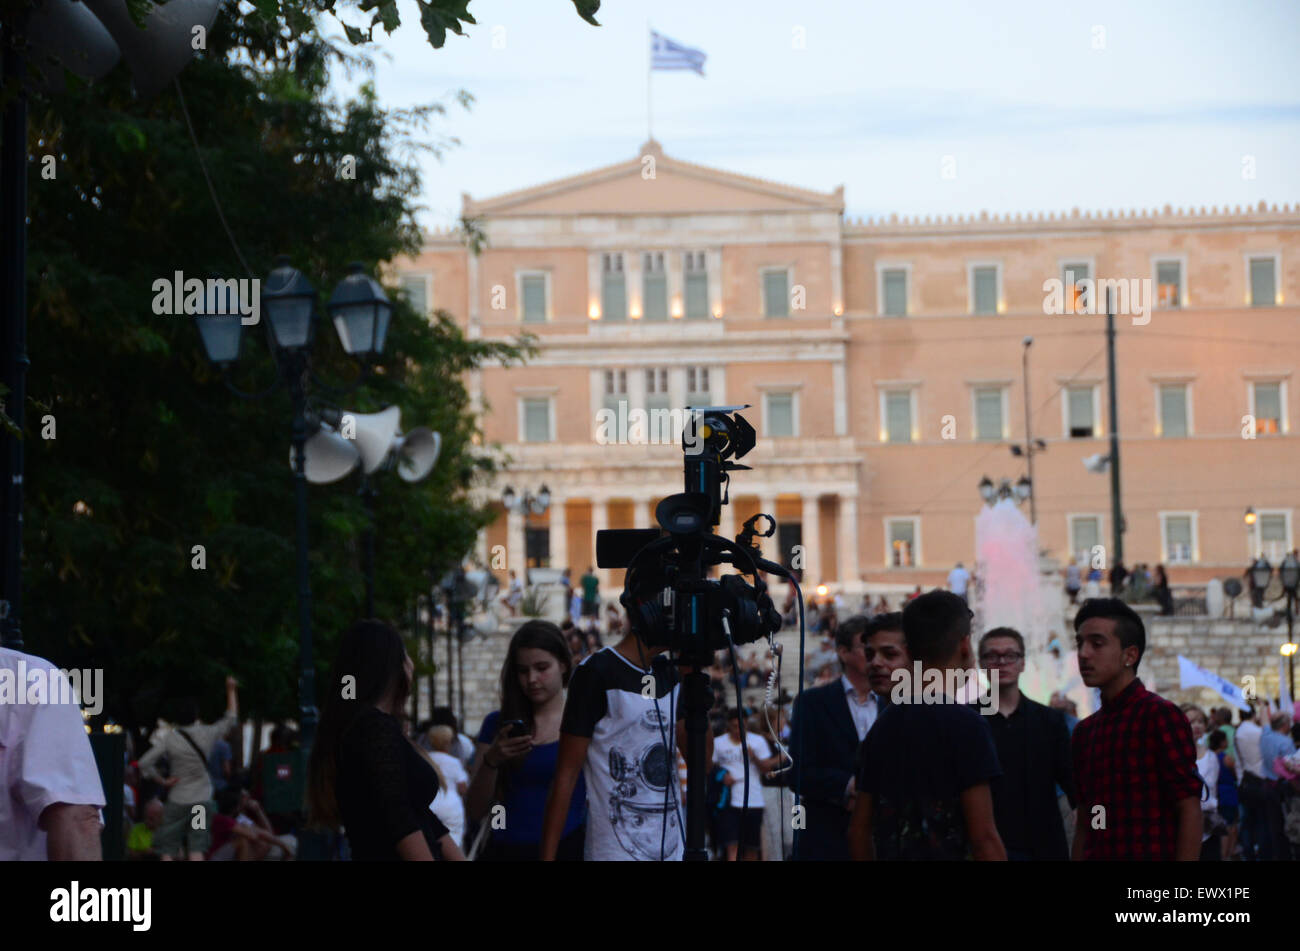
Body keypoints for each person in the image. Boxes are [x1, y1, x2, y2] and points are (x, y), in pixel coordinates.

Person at [849, 591, 1005, 861]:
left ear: (909, 652)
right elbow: (984, 839)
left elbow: (858, 832)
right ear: (965, 646)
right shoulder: (968, 726)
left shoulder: (881, 726)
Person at [539, 625, 704, 861]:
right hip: (613, 851)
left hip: (673, 851)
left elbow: (702, 763)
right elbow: (566, 774)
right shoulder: (596, 672)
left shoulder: (671, 674)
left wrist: (692, 681)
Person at [305, 620, 464, 861]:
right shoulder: (373, 727)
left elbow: (422, 817)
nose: (411, 664)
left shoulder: (367, 728)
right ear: (393, 667)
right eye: (406, 656)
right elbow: (399, 819)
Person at [1070, 598, 1201, 860]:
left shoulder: (1160, 716)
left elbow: (1188, 807)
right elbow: (1087, 818)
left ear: (1130, 655)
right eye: (1080, 643)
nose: (1083, 654)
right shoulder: (1085, 731)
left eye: (1097, 643)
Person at [467, 620, 586, 860]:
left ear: (563, 665)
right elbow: (475, 808)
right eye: (523, 671)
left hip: (568, 846)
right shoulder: (497, 724)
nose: (532, 679)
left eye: (542, 668)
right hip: (504, 848)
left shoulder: (583, 722)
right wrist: (492, 761)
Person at [978, 627, 1075, 860]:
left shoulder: (1050, 721)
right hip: (984, 847)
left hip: (1042, 848)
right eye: (992, 656)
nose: (1002, 662)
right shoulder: (966, 720)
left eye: (1010, 655)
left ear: (1022, 663)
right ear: (981, 664)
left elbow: (1076, 788)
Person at [789, 615, 877, 861]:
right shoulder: (813, 703)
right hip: (828, 834)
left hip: (883, 837)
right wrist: (848, 786)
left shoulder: (895, 703)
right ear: (844, 652)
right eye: (866, 647)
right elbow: (798, 773)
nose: (874, 656)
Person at [138, 675, 239, 861]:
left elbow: (144, 763)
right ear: (197, 716)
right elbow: (231, 718)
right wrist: (231, 690)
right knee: (196, 846)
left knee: (168, 846)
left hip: (177, 799)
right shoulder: (207, 734)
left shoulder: (170, 738)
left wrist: (162, 780)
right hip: (200, 799)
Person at [712, 708, 780, 861]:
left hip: (753, 801)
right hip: (728, 802)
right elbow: (710, 768)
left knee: (752, 848)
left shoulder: (757, 741)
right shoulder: (718, 743)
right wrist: (721, 776)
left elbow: (766, 770)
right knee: (732, 847)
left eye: (741, 725)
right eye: (734, 726)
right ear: (728, 725)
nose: (738, 730)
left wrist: (753, 756)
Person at [207, 786, 294, 861]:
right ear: (237, 803)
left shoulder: (240, 817)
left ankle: (286, 849)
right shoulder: (222, 818)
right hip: (214, 855)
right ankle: (286, 849)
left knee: (264, 843)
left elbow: (268, 834)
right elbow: (254, 835)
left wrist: (258, 811)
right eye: (244, 796)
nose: (248, 798)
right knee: (243, 839)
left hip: (232, 853)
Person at [1181, 704, 1222, 860]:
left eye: (1200, 721)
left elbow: (1213, 791)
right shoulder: (1174, 754)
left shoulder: (1211, 756)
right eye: (1191, 721)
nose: (1197, 726)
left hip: (1209, 827)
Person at [427, 726, 469, 851]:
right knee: (453, 845)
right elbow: (462, 788)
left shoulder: (426, 758)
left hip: (430, 803)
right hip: (451, 807)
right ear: (448, 742)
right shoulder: (454, 762)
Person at [1235, 704, 1268, 860]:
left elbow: (1237, 762)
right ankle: (1260, 851)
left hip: (1245, 780)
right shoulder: (1259, 732)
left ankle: (1248, 852)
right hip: (1260, 779)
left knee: (1247, 821)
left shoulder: (1239, 732)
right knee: (1261, 820)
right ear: (1254, 714)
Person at [1210, 729, 1240, 860]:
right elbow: (1235, 775)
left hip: (1217, 794)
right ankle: (1227, 853)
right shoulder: (1226, 758)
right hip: (1229, 793)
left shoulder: (1210, 756)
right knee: (1230, 825)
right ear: (1222, 742)